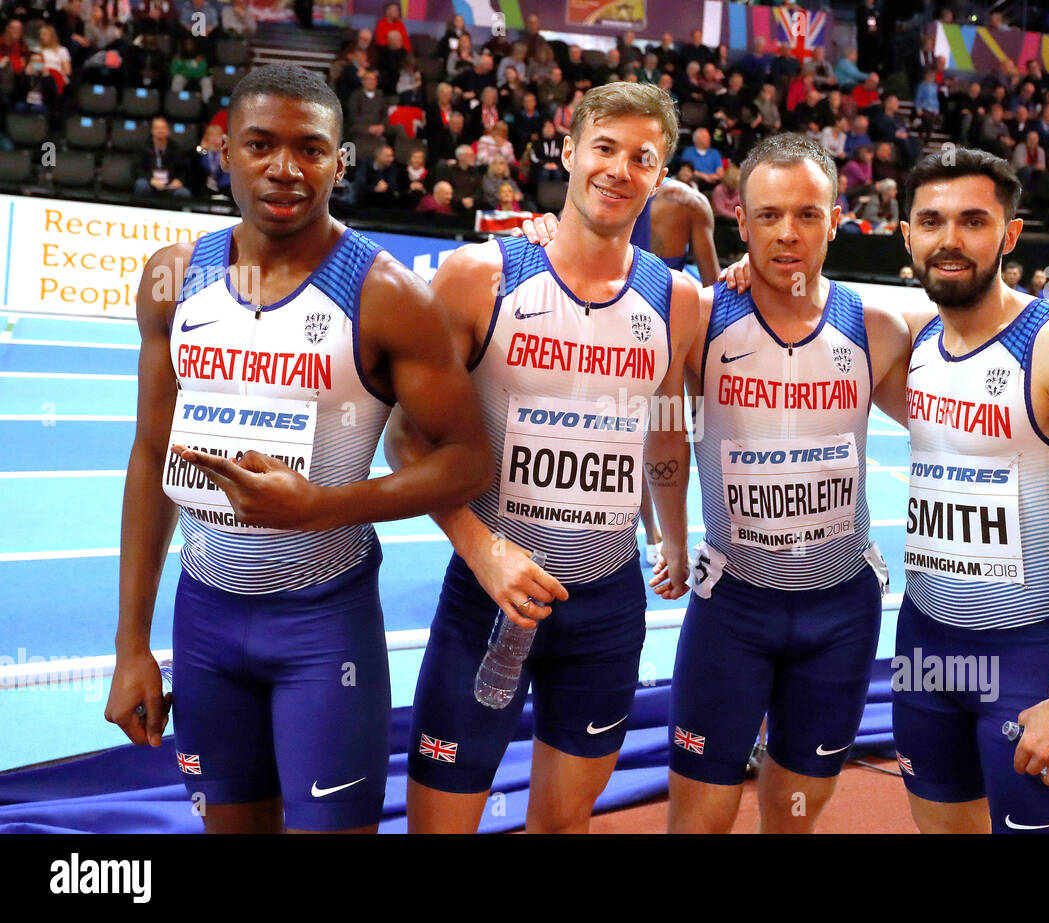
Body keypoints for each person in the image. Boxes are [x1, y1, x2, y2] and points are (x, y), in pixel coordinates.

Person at [103, 64, 492, 834]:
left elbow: (469, 459)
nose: (285, 168)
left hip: (325, 626)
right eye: (260, 145)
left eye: (310, 149)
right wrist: (129, 645)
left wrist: (326, 507)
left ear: (341, 162)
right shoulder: (174, 279)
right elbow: (151, 458)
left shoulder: (385, 295)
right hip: (205, 620)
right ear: (223, 150)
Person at [386, 82, 698, 834]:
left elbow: (663, 427)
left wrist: (674, 535)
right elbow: (404, 439)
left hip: (607, 605)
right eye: (605, 148)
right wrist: (481, 549)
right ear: (567, 151)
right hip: (487, 594)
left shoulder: (679, 300)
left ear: (662, 176)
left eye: (643, 157)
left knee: (562, 823)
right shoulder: (478, 276)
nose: (621, 169)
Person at [889, 148, 1049, 834]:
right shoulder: (909, 345)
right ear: (906, 235)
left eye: (973, 220)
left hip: (1029, 658)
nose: (950, 239)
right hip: (924, 646)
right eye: (931, 220)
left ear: (1008, 233)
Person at [665, 132, 908, 833]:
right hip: (732, 610)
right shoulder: (701, 319)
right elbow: (647, 410)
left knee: (793, 811)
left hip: (842, 614)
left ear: (838, 219)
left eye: (807, 214)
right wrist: (670, 535)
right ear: (740, 222)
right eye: (768, 215)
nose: (787, 233)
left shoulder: (877, 329)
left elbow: (960, 417)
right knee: (700, 818)